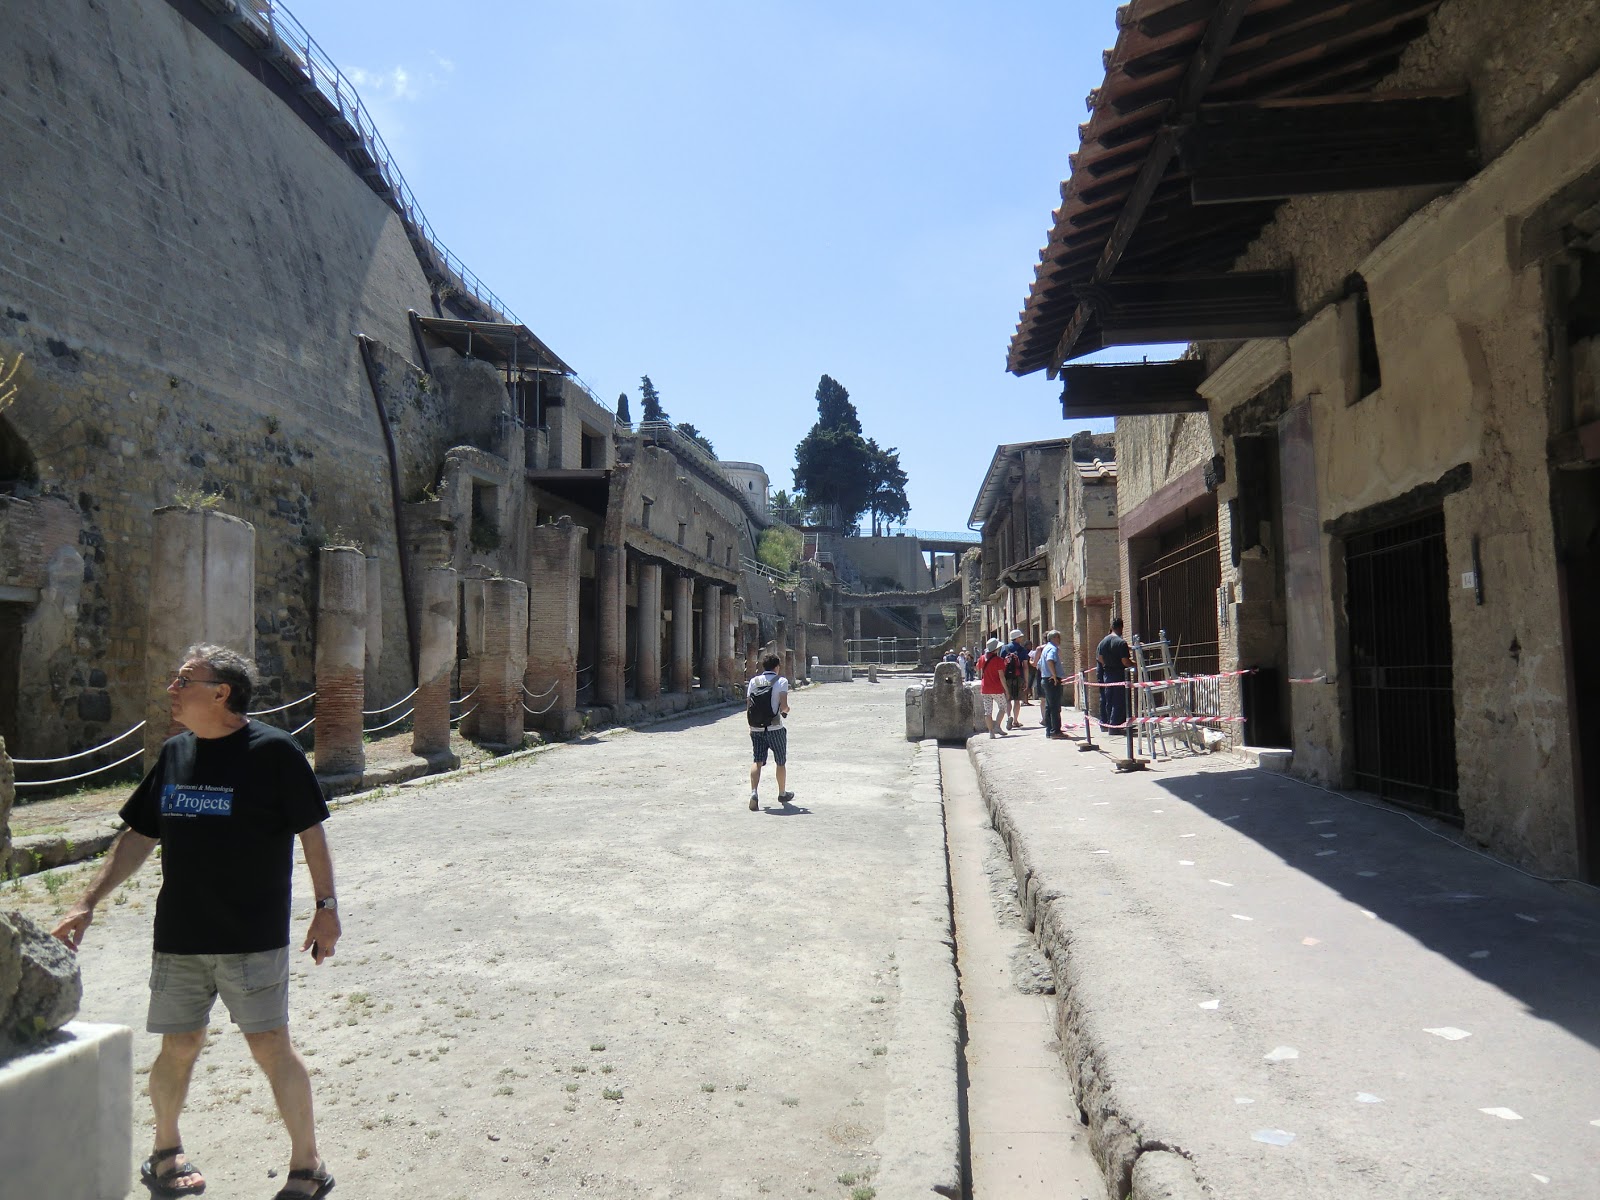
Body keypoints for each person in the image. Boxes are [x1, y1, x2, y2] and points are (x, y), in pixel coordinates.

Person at [53, 644, 340, 1200]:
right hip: (180, 935)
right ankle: (166, 1151)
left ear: (220, 692)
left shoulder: (274, 751)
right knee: (178, 1044)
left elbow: (312, 832)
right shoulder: (175, 753)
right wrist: (86, 902)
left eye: (184, 679)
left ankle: (308, 1163)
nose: (172, 689)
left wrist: (326, 908)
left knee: (270, 1044)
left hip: (251, 935)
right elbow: (137, 837)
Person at [746, 653, 794, 811]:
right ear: (777, 667)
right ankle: (782, 792)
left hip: (756, 727)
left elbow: (749, 706)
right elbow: (783, 706)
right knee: (780, 761)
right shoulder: (781, 681)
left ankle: (754, 792)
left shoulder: (754, 681)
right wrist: (787, 710)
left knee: (757, 760)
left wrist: (751, 726)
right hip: (775, 728)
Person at [1096, 617, 1134, 737]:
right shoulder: (1121, 643)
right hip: (1119, 674)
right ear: (1121, 628)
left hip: (1107, 674)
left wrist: (1107, 664)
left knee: (1109, 700)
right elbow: (1125, 662)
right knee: (1119, 701)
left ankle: (1109, 725)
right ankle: (1115, 726)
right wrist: (1135, 665)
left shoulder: (1103, 642)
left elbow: (1100, 658)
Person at [977, 637, 1009, 739]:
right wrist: (1007, 690)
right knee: (1003, 707)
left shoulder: (982, 658)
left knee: (988, 711)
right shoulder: (999, 660)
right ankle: (997, 726)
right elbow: (1001, 677)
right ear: (996, 649)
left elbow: (977, 668)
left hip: (985, 688)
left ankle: (991, 732)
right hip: (996, 688)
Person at [1039, 629, 1067, 738]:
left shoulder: (1045, 648)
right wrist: (1054, 675)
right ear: (1054, 638)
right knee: (1055, 706)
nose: (1060, 640)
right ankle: (1055, 731)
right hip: (1052, 680)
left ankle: (1049, 731)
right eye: (1058, 637)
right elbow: (1049, 660)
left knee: (1049, 706)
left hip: (1045, 679)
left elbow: (1040, 664)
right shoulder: (1052, 648)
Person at [1001, 629, 1029, 729]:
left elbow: (1000, 664)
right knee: (1017, 700)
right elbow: (1025, 666)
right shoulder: (1022, 650)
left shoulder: (1004, 649)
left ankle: (1009, 717)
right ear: (1017, 638)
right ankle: (1016, 721)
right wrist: (1026, 680)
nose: (1021, 638)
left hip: (1007, 677)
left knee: (1008, 699)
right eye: (1020, 637)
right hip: (1019, 677)